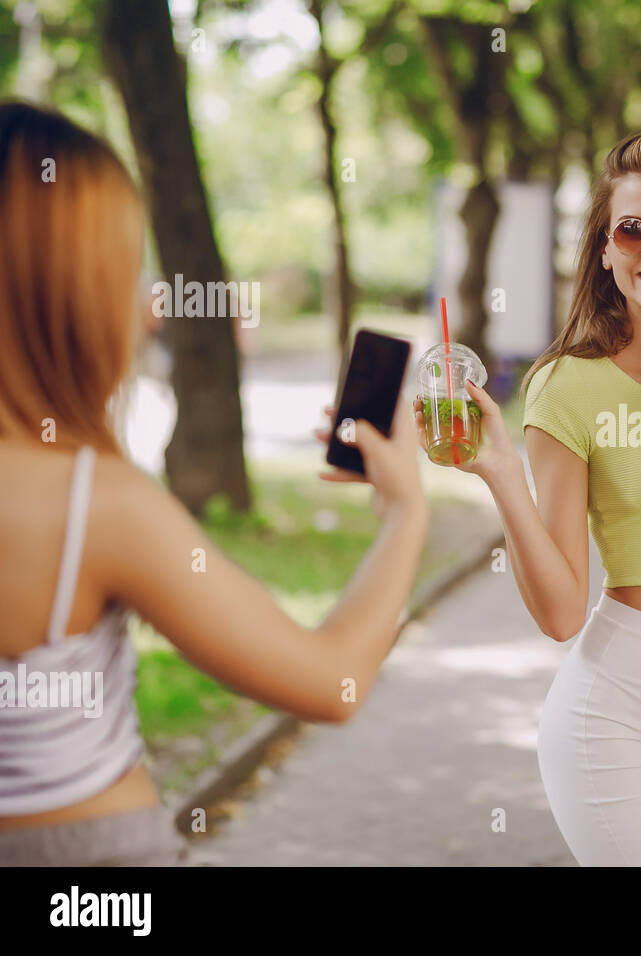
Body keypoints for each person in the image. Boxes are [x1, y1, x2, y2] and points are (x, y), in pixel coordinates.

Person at [0, 101, 429, 865]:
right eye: (127, 269)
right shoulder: (94, 505)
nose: (142, 302)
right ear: (68, 292)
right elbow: (331, 682)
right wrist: (406, 514)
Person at [415, 131, 641, 866]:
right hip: (618, 716)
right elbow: (563, 613)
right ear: (604, 250)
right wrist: (503, 477)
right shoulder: (569, 384)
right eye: (632, 230)